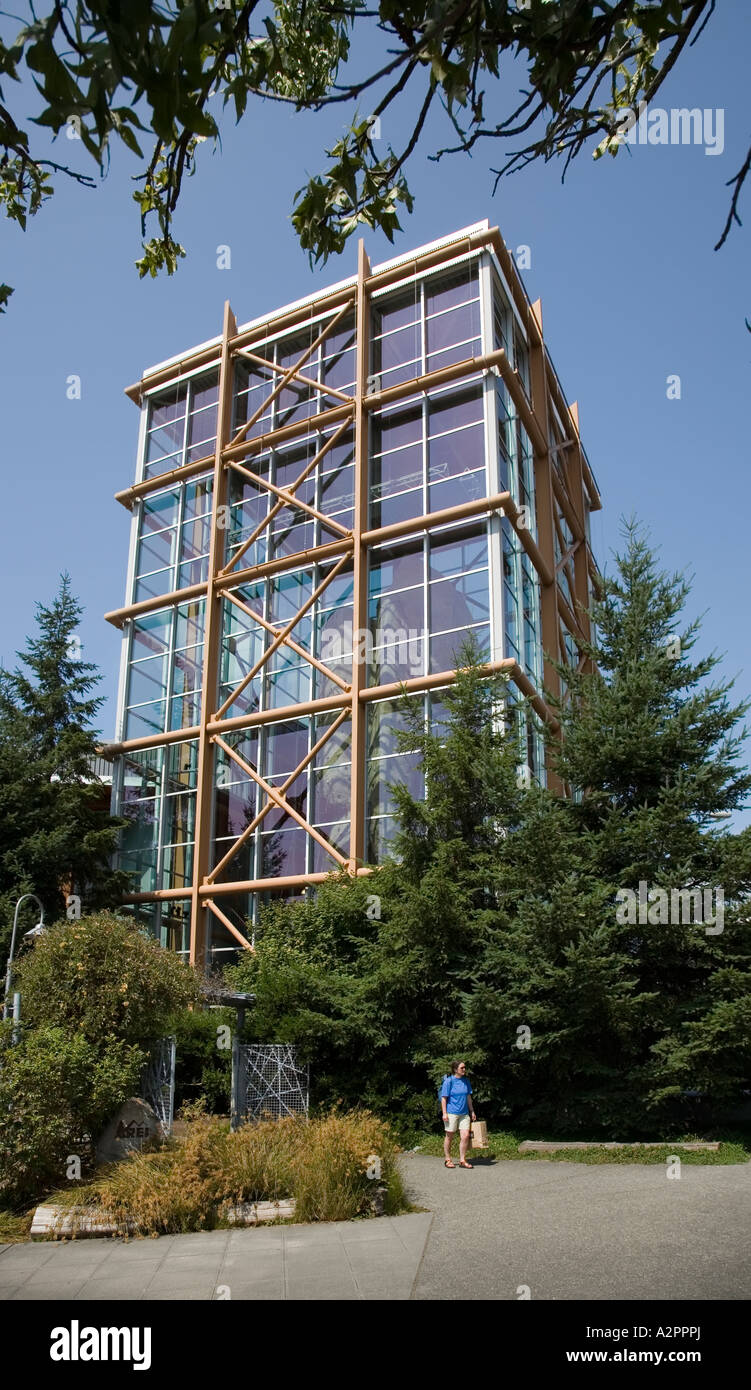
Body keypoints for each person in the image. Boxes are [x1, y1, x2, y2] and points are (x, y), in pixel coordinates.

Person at [440, 1060, 476, 1169]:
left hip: (464, 1114)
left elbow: (468, 1097)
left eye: (465, 1067)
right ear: (455, 1070)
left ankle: (462, 1160)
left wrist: (472, 1111)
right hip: (451, 1114)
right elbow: (444, 1098)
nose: (464, 1069)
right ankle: (447, 1159)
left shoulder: (466, 1081)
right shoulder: (449, 1081)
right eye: (462, 1068)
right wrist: (444, 1113)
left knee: (465, 1136)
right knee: (449, 1136)